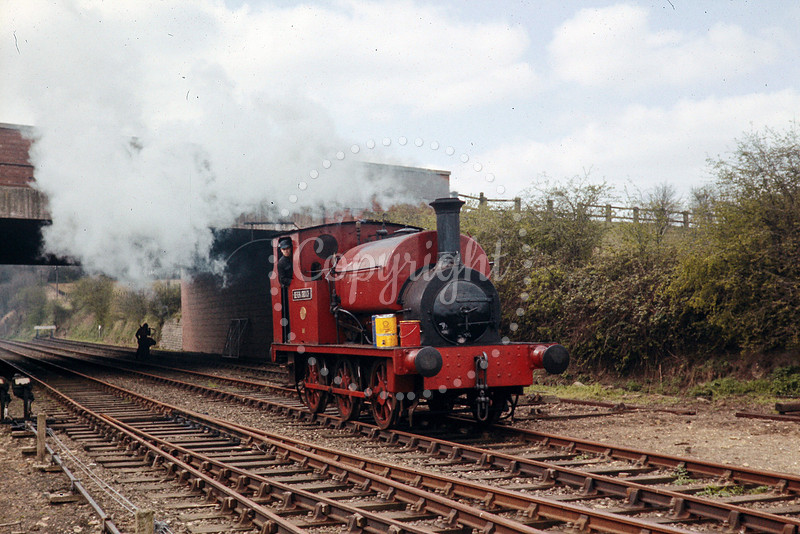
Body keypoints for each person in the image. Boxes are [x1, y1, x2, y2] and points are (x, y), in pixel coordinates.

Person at [277, 238, 293, 342]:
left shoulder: (294, 258)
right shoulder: (281, 263)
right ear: (281, 250)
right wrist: (293, 282)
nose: (286, 251)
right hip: (287, 291)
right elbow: (282, 279)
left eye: (288, 248)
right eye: (284, 249)